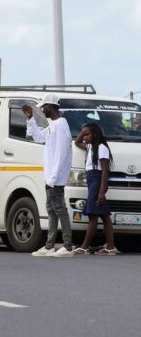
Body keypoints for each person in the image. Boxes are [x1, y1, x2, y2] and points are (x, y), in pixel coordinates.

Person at [24, 95, 74, 258]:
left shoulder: (60, 126)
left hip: (55, 178)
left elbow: (62, 153)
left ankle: (67, 246)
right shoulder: (54, 125)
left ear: (50, 107)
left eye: (43, 107)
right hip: (51, 177)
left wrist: (52, 178)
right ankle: (49, 245)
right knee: (52, 210)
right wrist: (30, 119)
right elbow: (38, 137)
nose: (42, 110)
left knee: (59, 210)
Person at [73, 123, 118, 255]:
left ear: (95, 135)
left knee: (93, 214)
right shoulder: (90, 146)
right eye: (84, 134)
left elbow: (105, 170)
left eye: (87, 134)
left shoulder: (102, 148)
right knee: (104, 216)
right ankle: (110, 248)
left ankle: (84, 247)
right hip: (91, 180)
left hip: (97, 181)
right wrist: (84, 132)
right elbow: (77, 142)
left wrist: (102, 191)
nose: (84, 137)